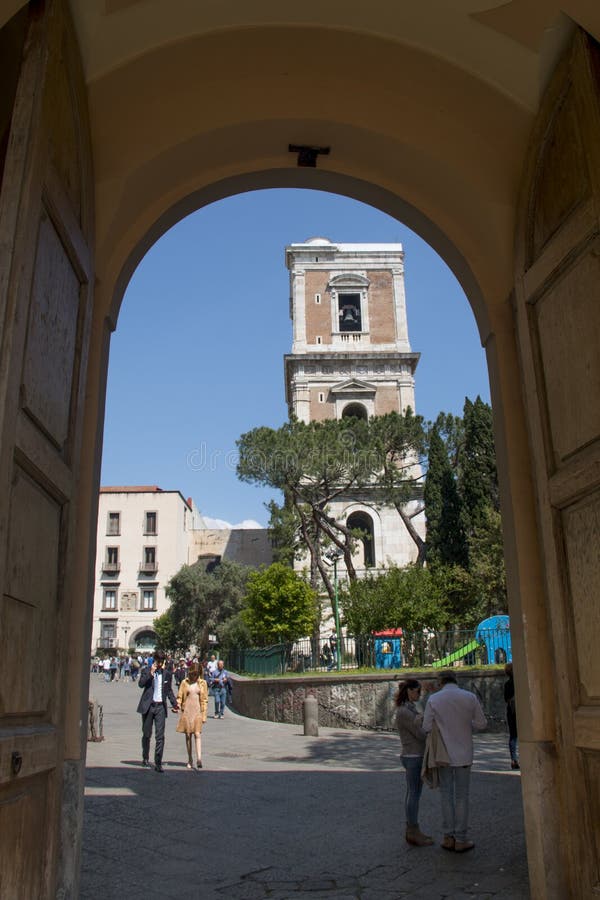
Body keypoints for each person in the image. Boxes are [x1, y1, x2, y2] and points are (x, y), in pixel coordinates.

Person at [422, 671, 487, 853]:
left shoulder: (434, 699)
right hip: (464, 753)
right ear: (455, 680)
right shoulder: (469, 697)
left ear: (440, 682)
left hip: (443, 754)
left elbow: (426, 726)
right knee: (462, 797)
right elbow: (481, 724)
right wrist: (467, 725)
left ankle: (448, 836)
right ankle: (461, 838)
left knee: (446, 795)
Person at [395, 679, 433, 846]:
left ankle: (413, 829)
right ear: (409, 691)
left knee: (413, 792)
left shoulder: (408, 709)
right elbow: (420, 733)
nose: (420, 694)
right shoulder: (405, 712)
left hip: (413, 754)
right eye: (418, 691)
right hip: (413, 755)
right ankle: (412, 828)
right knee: (414, 793)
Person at [137, 649, 178, 772]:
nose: (159, 663)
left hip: (160, 706)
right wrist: (150, 673)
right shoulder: (146, 670)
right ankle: (145, 757)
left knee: (160, 736)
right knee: (146, 733)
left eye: (161, 661)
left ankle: (158, 762)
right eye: (157, 661)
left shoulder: (167, 674)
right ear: (154, 660)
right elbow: (141, 684)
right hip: (148, 706)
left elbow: (169, 690)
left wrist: (174, 703)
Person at [176, 663, 209, 769]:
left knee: (197, 734)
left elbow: (204, 700)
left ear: (199, 673)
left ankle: (199, 758)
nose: (194, 676)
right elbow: (180, 696)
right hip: (187, 711)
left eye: (196, 674)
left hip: (197, 711)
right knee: (188, 735)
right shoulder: (184, 682)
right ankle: (190, 758)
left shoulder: (203, 683)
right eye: (192, 674)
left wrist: (204, 715)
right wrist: (177, 705)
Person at [504, 662, 519, 770]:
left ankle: (513, 759)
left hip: (511, 712)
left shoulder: (507, 684)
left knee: (513, 736)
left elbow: (506, 699)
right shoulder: (520, 682)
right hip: (522, 712)